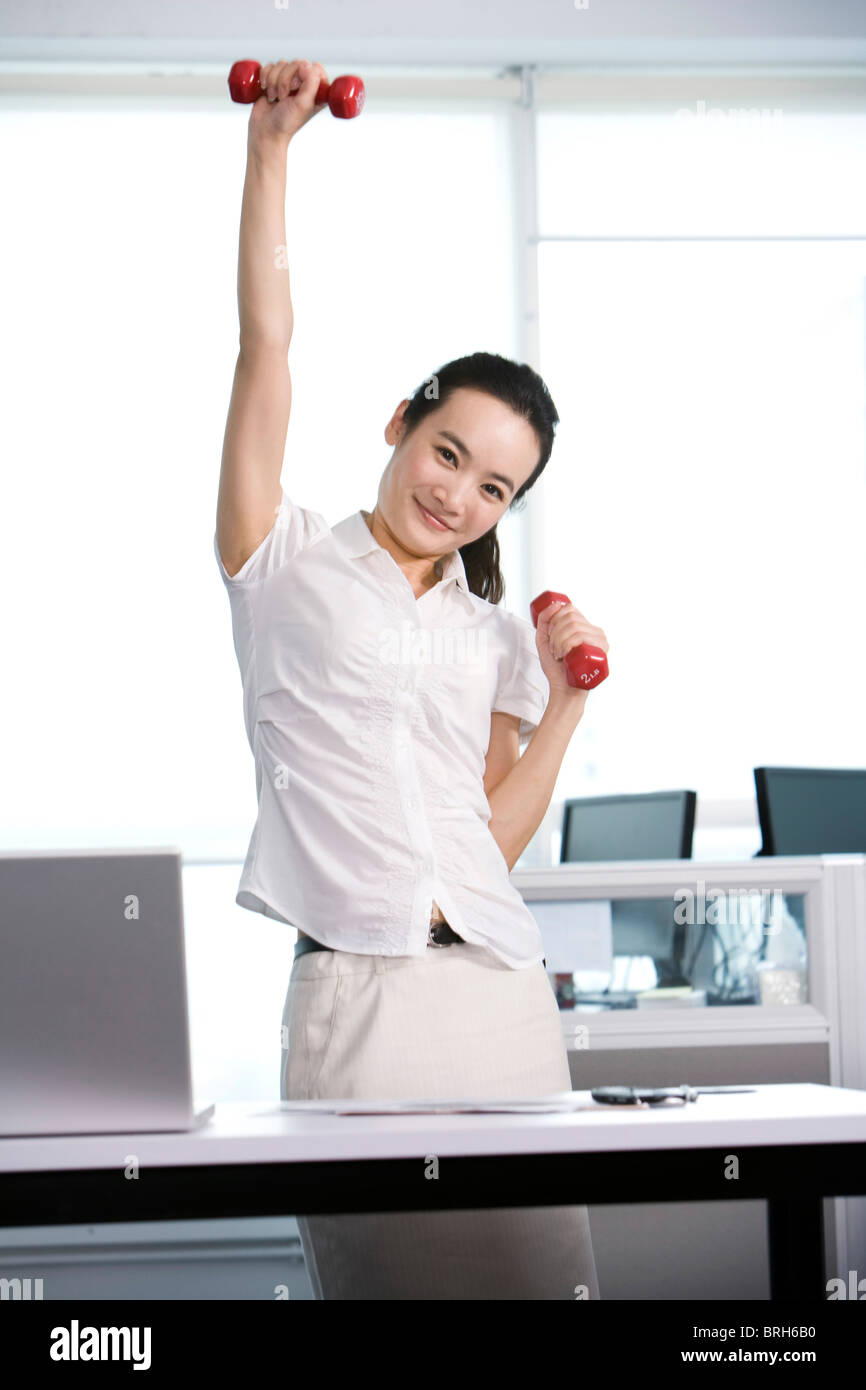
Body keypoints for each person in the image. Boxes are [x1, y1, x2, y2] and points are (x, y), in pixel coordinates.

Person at [215, 58, 610, 1299]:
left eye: (491, 486)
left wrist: (568, 705)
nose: (456, 494)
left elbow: (492, 835)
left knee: (543, 1285)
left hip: (498, 990)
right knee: (391, 1286)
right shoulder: (274, 558)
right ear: (400, 422)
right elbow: (262, 342)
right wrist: (271, 156)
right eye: (447, 452)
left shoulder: (491, 632)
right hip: (360, 997)